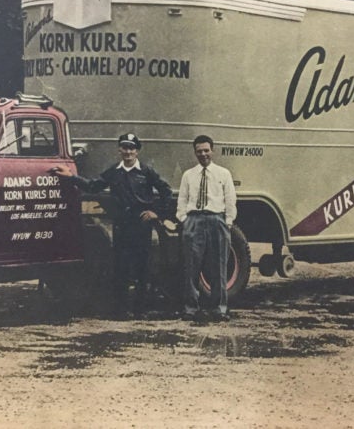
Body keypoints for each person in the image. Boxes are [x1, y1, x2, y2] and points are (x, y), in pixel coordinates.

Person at [54, 133, 172, 319]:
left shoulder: (146, 171)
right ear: (119, 150)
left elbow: (166, 190)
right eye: (124, 148)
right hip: (122, 226)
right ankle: (121, 310)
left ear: (137, 151)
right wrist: (71, 177)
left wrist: (156, 213)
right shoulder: (114, 172)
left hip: (141, 225)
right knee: (121, 268)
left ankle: (140, 310)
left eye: (131, 148)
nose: (128, 152)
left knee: (142, 268)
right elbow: (93, 186)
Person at [176, 135, 237, 323]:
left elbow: (230, 199)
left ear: (212, 150)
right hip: (194, 220)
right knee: (191, 266)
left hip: (216, 220)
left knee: (219, 266)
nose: (203, 154)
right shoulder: (188, 175)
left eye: (206, 150)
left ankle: (219, 308)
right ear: (195, 152)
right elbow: (182, 199)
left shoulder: (223, 173)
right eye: (199, 151)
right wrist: (184, 219)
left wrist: (227, 221)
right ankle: (190, 308)